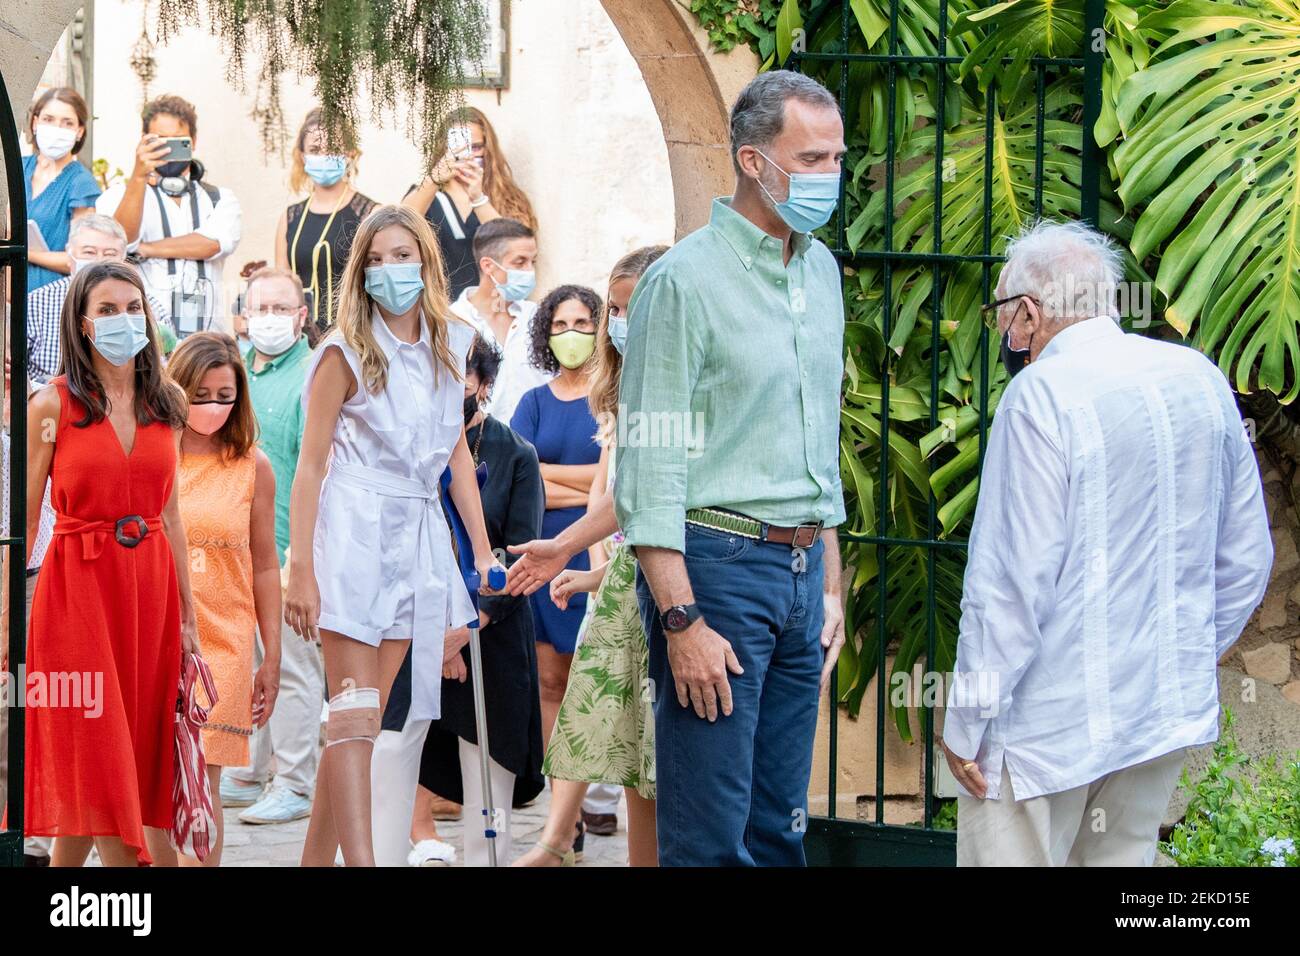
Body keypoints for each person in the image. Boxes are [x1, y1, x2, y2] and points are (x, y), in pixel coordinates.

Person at [940, 220, 1274, 866]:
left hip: (1044, 728)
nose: (1005, 337)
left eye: (1003, 318)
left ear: (1029, 315)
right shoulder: (1198, 378)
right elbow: (1246, 559)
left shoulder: (1040, 396)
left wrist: (966, 722)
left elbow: (1011, 586)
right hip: (1155, 714)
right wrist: (1177, 654)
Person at [615, 70, 848, 867]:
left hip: (800, 569)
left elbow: (821, 441)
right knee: (710, 839)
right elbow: (649, 467)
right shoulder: (681, 282)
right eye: (810, 160)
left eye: (836, 160)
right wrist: (681, 619)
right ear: (752, 160)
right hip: (717, 568)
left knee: (780, 830)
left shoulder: (822, 273)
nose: (829, 178)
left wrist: (829, 584)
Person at [283, 204, 504, 867]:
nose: (389, 269)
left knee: (361, 722)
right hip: (352, 532)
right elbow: (311, 465)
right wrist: (302, 567)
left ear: (427, 262)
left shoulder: (453, 344)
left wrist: (485, 548)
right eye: (375, 259)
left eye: (401, 255)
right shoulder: (342, 350)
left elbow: (455, 456)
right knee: (351, 716)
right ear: (360, 272)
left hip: (417, 538)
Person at [23, 261, 198, 866]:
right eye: (106, 309)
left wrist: (189, 621)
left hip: (150, 595)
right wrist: (3, 621)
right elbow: (20, 523)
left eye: (133, 307)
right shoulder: (50, 404)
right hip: (75, 593)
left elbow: (172, 517)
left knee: (122, 760)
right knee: (98, 751)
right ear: (80, 322)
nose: (124, 319)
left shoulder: (166, 402)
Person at [514, 245, 667, 867]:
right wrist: (581, 564)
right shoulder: (622, 387)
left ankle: (557, 840)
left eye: (631, 308)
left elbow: (646, 500)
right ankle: (560, 837)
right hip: (626, 578)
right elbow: (621, 499)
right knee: (629, 750)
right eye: (617, 310)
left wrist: (569, 549)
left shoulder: (676, 388)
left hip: (681, 588)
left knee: (655, 752)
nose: (616, 323)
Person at [381, 333, 546, 867]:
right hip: (412, 629)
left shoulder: (515, 454)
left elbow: (519, 557)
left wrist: (466, 626)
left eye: (463, 382)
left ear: (484, 385)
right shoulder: (408, 445)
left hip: (490, 638)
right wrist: (437, 632)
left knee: (486, 781)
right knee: (394, 753)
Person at [167, 331, 282, 866]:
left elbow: (264, 564)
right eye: (201, 394)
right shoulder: (151, 455)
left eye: (225, 395)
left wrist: (272, 657)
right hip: (159, 633)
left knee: (203, 790)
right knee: (155, 786)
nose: (213, 406)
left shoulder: (252, 466)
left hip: (226, 643)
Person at [220, 269, 326, 827]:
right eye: (260, 307)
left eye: (282, 308)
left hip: (288, 548)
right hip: (233, 548)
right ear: (244, 311)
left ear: (302, 314)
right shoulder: (235, 371)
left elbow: (319, 466)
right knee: (248, 662)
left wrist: (301, 554)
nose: (270, 318)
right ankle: (248, 771)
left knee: (293, 669)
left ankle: (295, 782)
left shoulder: (311, 375)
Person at [509, 287, 602, 784]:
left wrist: (556, 476)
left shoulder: (613, 397)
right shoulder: (534, 402)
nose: (572, 334)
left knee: (589, 681)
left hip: (592, 550)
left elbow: (615, 485)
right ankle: (561, 805)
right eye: (561, 324)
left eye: (583, 323)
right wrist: (586, 481)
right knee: (548, 680)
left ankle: (589, 800)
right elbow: (522, 479)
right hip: (539, 551)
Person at [97, 94, 242, 335]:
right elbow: (122, 240)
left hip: (206, 340)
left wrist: (146, 249)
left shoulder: (220, 199)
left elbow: (210, 245)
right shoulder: (119, 195)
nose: (167, 148)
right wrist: (139, 176)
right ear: (143, 141)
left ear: (193, 142)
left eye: (177, 141)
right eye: (159, 141)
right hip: (144, 335)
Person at [401, 107, 536, 299]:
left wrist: (479, 198)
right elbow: (399, 223)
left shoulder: (506, 197)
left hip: (494, 310)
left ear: (488, 149)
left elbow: (516, 250)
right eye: (459, 147)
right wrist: (433, 180)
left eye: (476, 147)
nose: (468, 155)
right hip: (438, 313)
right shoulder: (428, 194)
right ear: (444, 148)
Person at [27, 213, 172, 384]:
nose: (98, 261)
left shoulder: (150, 308)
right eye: (89, 252)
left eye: (109, 254)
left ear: (123, 260)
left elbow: (165, 369)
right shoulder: (35, 304)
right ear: (69, 254)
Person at [275, 108, 378, 332]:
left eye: (333, 149)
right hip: (300, 341)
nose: (324, 156)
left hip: (353, 335)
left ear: (349, 154)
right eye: (315, 149)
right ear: (302, 156)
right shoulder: (290, 217)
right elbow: (281, 287)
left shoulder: (370, 214)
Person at [449, 217, 548, 425]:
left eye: (533, 262)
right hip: (479, 444)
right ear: (488, 266)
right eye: (520, 262)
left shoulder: (539, 316)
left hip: (538, 446)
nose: (529, 271)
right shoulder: (454, 321)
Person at [22, 87, 101, 292]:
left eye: (67, 123)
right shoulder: (17, 169)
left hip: (48, 297)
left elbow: (81, 257)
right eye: (48, 119)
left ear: (79, 131)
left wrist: (24, 252)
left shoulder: (80, 184)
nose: (57, 128)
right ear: (35, 122)